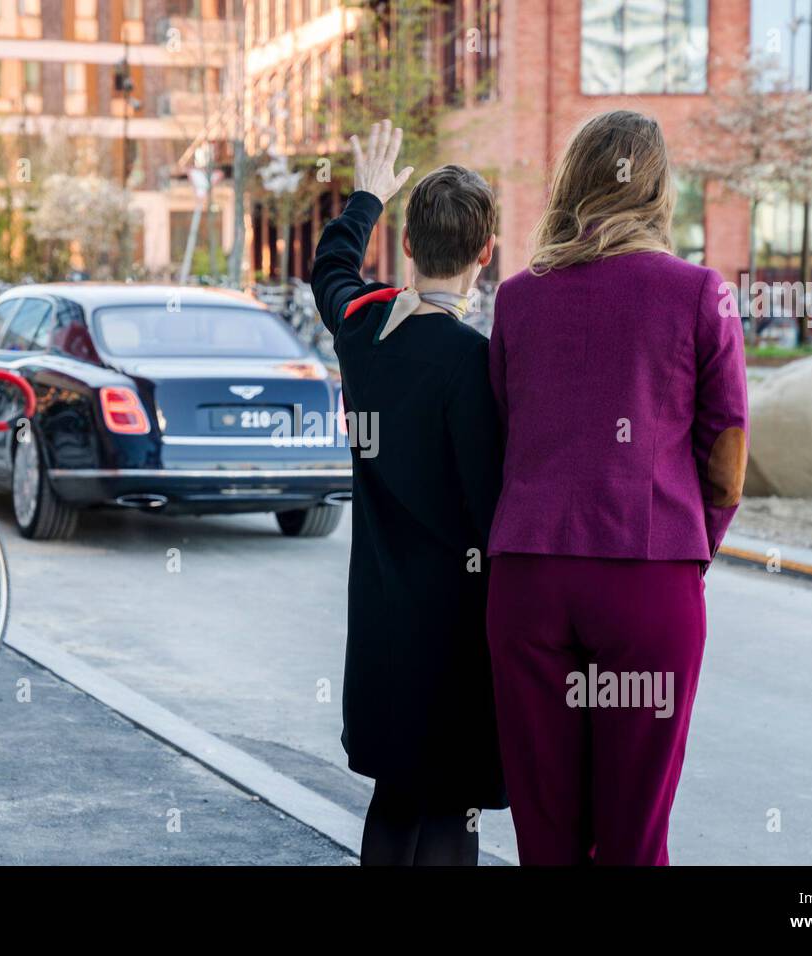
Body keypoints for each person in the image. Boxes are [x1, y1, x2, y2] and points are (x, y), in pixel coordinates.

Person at [486, 110, 749, 865]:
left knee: (547, 836)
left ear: (571, 185)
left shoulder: (517, 298)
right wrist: (694, 547)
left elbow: (510, 430)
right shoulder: (700, 293)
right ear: (659, 191)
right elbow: (727, 454)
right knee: (633, 841)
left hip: (529, 578)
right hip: (648, 576)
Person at [311, 120, 506, 866]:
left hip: (382, 621)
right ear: (484, 254)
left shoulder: (363, 334)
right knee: (451, 809)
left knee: (394, 799)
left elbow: (331, 268)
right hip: (457, 631)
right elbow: (491, 512)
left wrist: (368, 194)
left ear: (410, 250)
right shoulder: (477, 365)